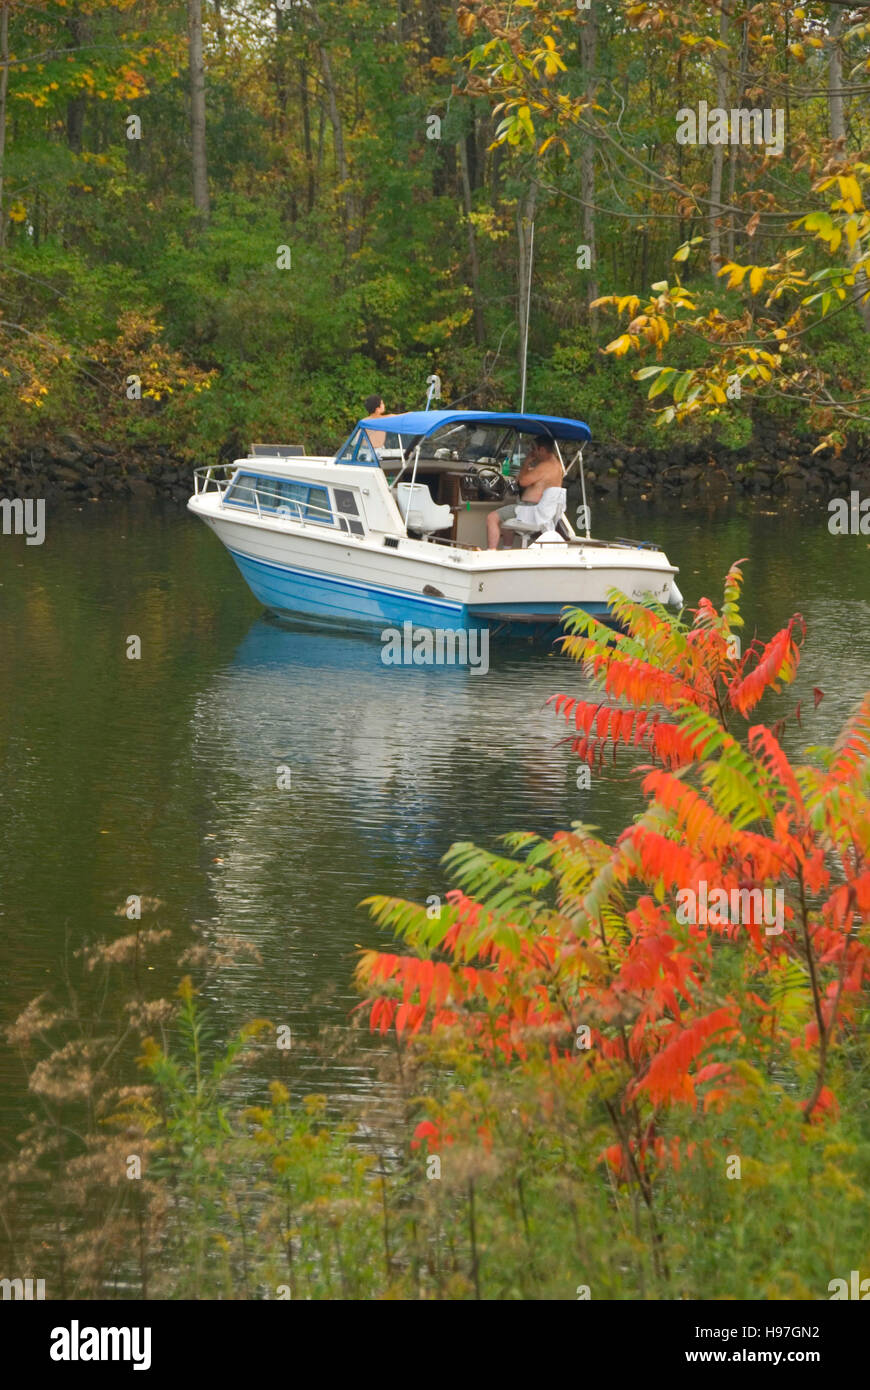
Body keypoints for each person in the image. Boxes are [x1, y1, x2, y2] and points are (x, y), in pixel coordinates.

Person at [486, 435, 563, 549]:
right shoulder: (557, 466)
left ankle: (490, 552)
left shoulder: (544, 466)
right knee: (506, 522)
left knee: (492, 517)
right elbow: (540, 479)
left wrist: (526, 462)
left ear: (542, 450)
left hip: (530, 510)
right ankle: (507, 552)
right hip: (542, 511)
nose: (532, 452)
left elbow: (522, 481)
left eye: (533, 449)